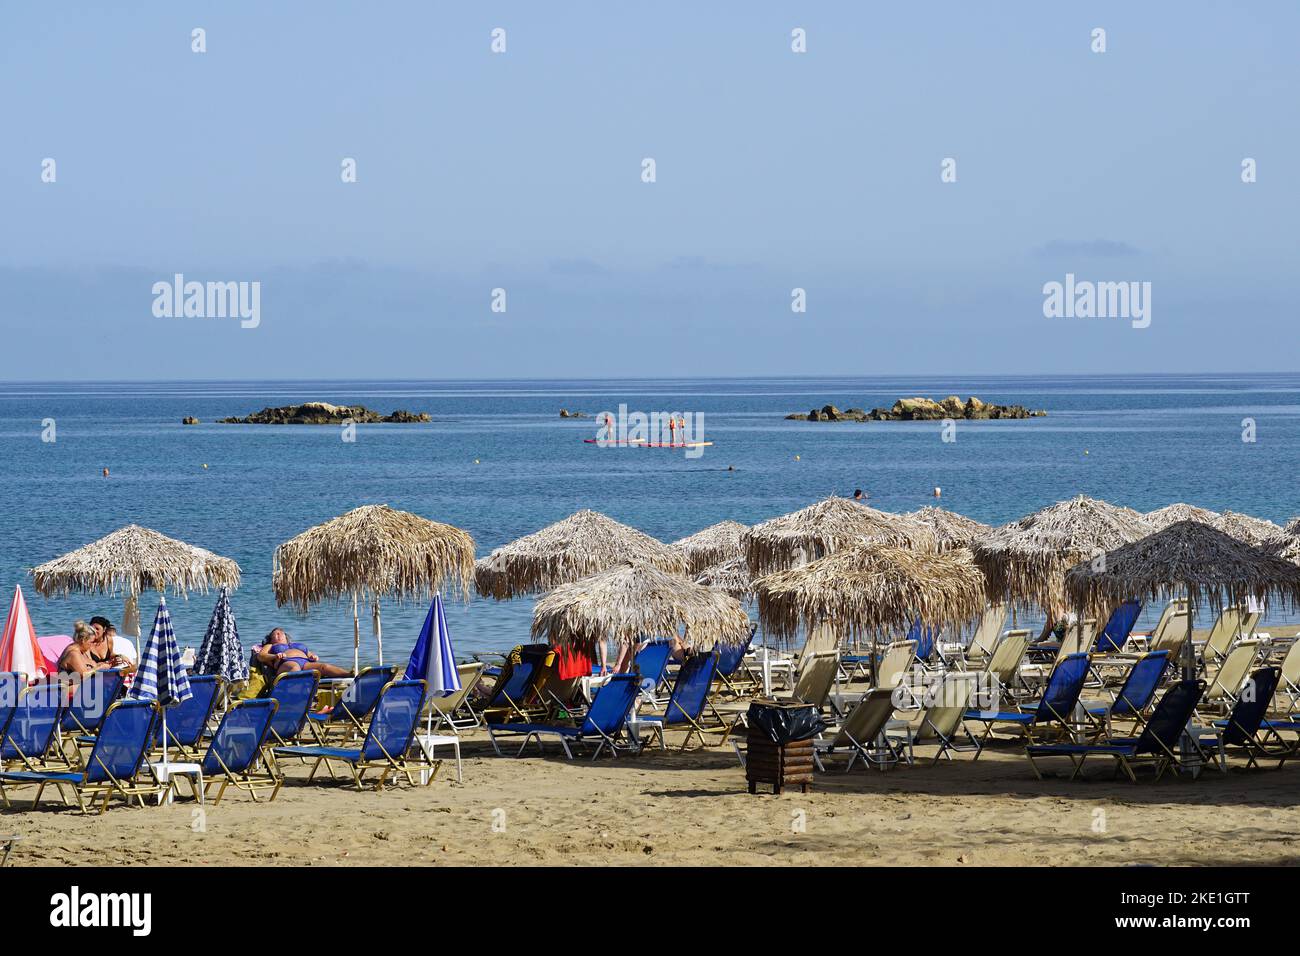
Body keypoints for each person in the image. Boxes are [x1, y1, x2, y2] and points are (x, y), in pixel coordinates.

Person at [253, 628, 351, 678]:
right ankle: (301, 695)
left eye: (281, 632)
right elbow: (261, 656)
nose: (280, 635)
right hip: (286, 663)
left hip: (305, 662)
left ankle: (351, 675)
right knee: (295, 669)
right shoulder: (271, 646)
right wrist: (275, 656)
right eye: (276, 634)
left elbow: (309, 653)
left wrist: (313, 656)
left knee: (324, 667)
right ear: (271, 638)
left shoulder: (295, 644)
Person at [57, 620, 132, 678]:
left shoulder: (79, 650)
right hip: (67, 690)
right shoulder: (73, 653)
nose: (91, 645)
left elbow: (92, 665)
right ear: (83, 640)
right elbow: (84, 675)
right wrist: (100, 668)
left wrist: (110, 664)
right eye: (91, 642)